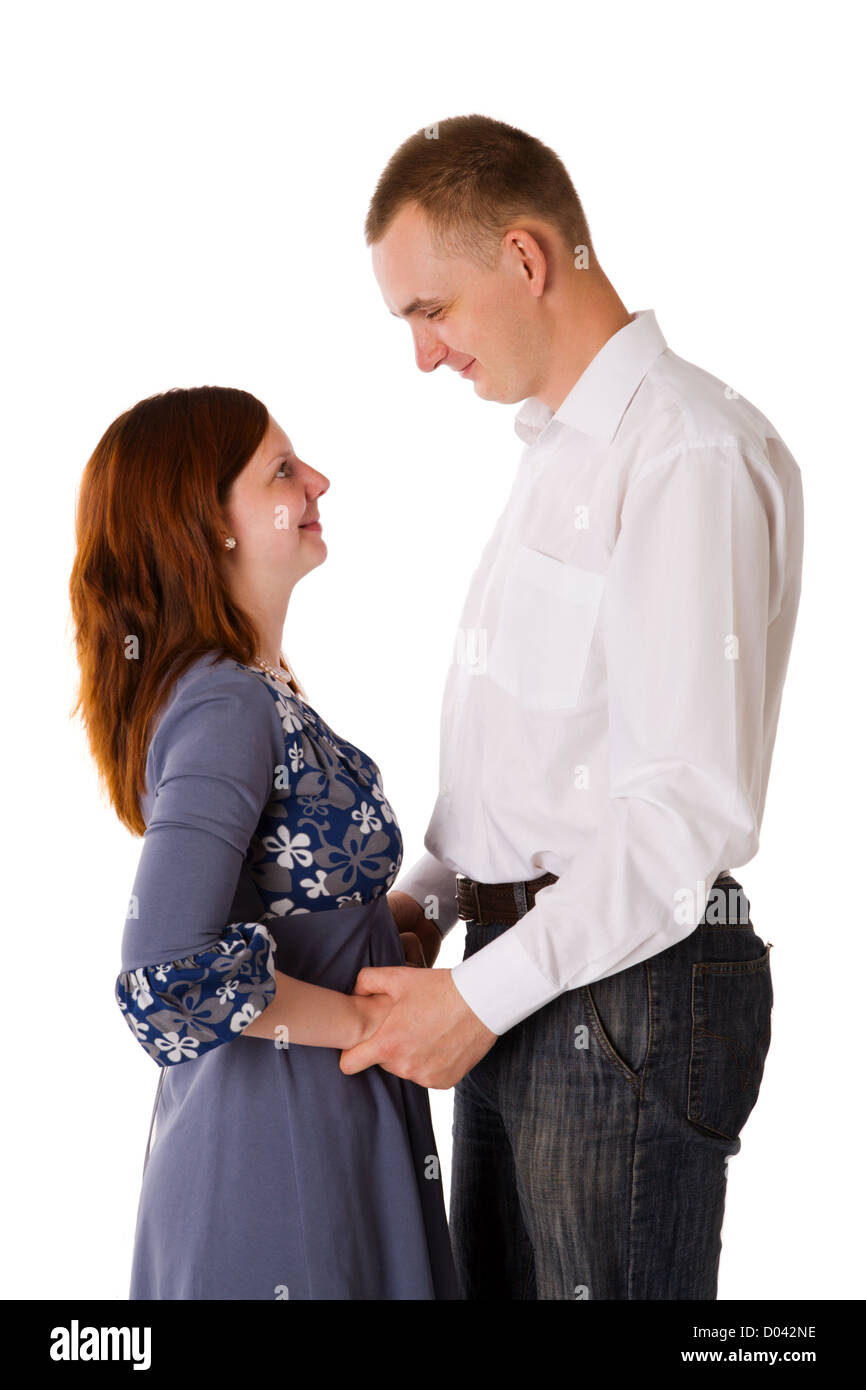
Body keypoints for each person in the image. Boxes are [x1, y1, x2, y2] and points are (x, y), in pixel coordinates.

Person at [340, 113, 804, 1300]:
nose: (425, 355)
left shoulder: (684, 454)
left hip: (621, 993)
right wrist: (432, 902)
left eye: (428, 311)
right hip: (526, 973)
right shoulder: (557, 451)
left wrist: (477, 996)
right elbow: (534, 757)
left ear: (526, 258)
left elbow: (676, 820)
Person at [69, 387, 458, 1299]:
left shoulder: (251, 692)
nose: (317, 480)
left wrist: (395, 928)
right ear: (209, 526)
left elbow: (286, 904)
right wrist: (369, 1023)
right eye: (282, 470)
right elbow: (164, 972)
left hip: (318, 1125)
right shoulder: (225, 703)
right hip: (279, 1151)